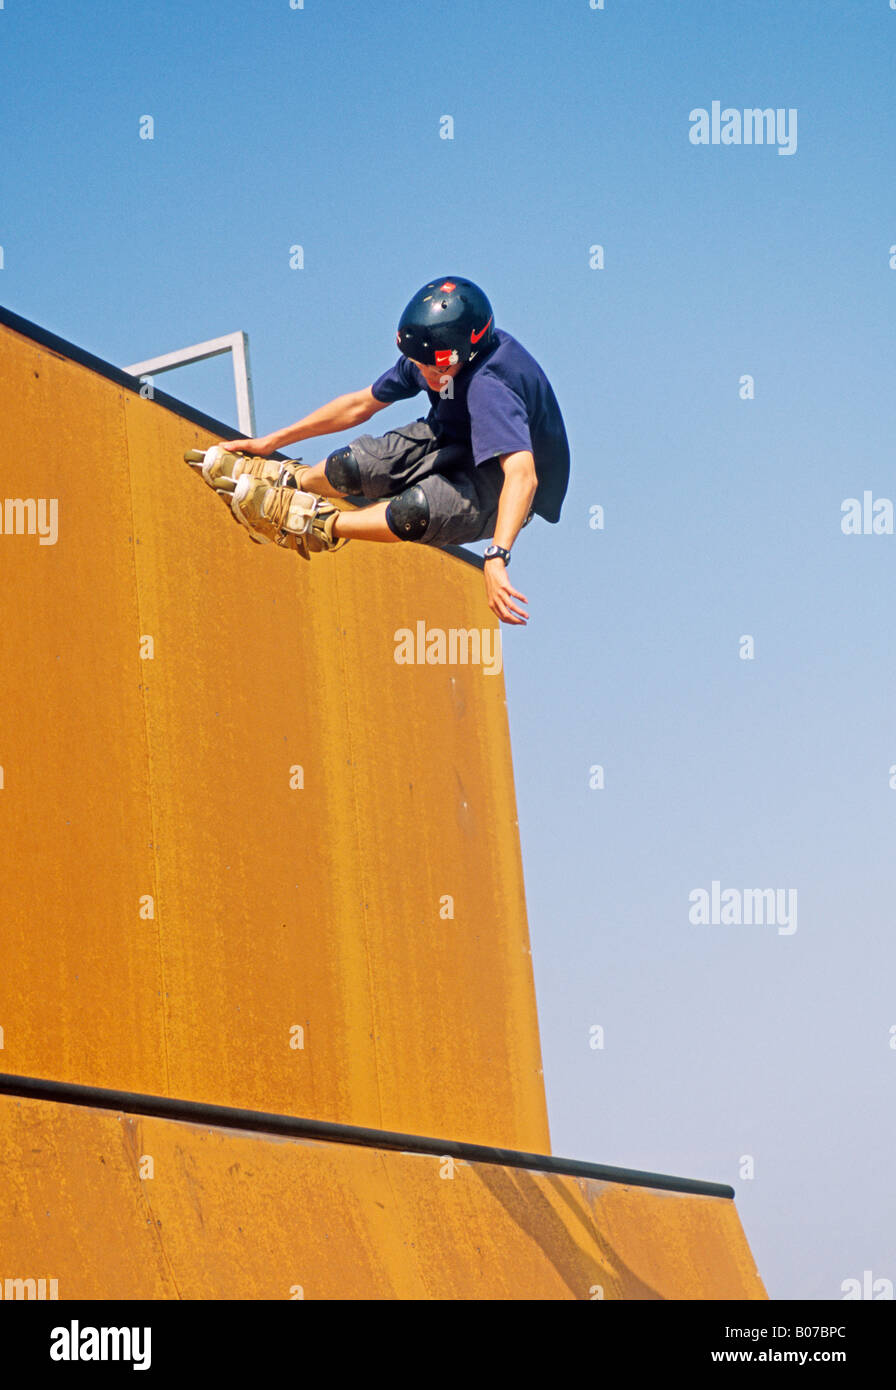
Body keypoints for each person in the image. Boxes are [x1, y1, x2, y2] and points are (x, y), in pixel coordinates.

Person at [205, 277, 569, 626]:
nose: (427, 375)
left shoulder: (491, 386)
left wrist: (497, 556)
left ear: (468, 351)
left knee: (415, 511)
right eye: (421, 365)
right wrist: (272, 443)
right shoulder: (432, 357)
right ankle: (290, 479)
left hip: (500, 484)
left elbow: (523, 476)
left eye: (436, 368)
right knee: (352, 466)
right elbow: (358, 405)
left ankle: (314, 523)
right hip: (451, 436)